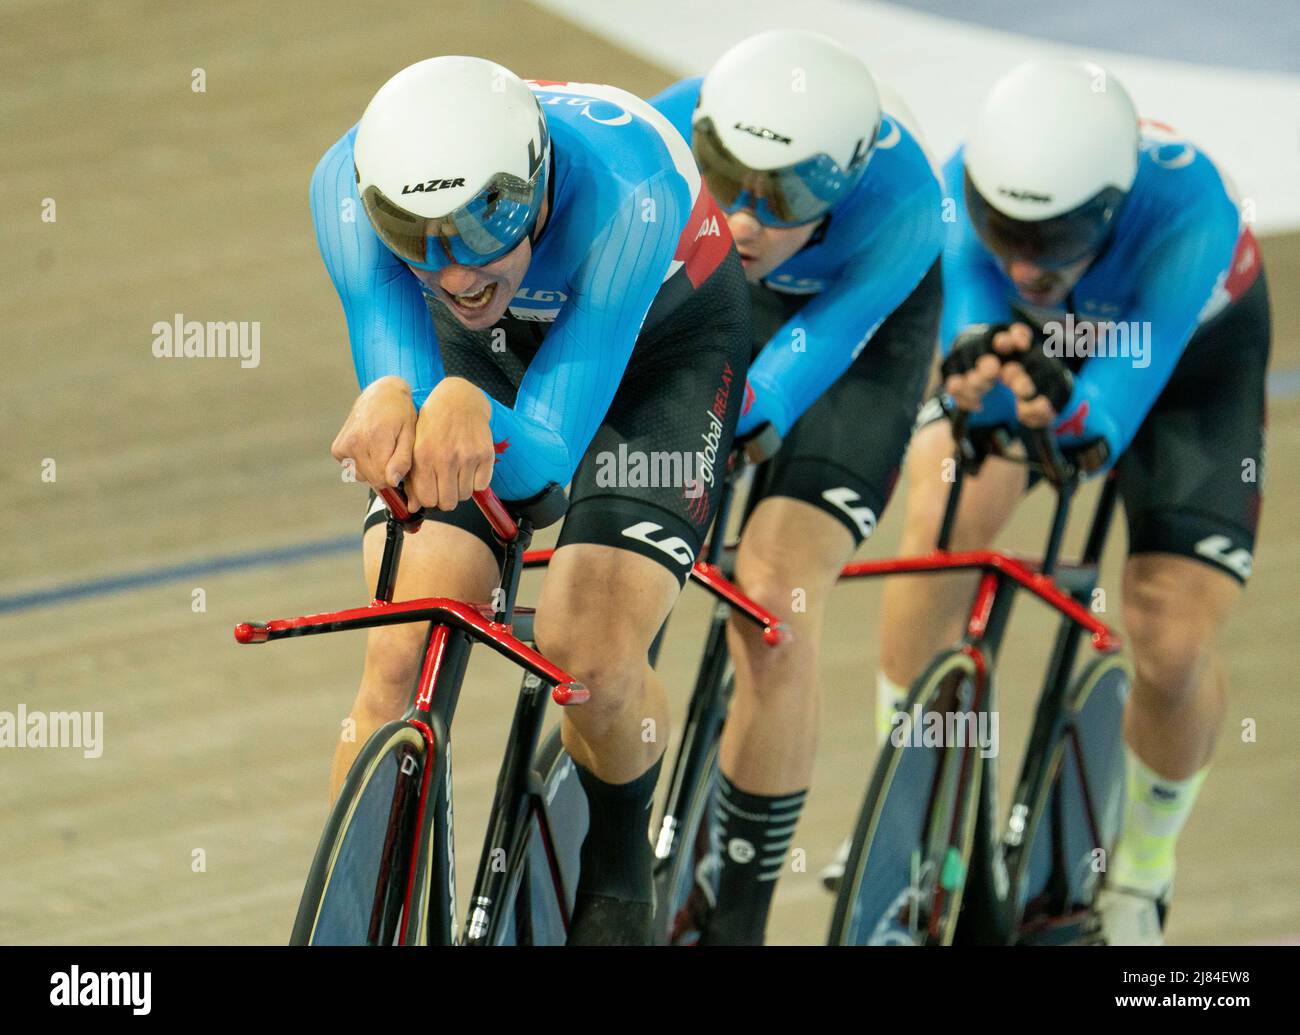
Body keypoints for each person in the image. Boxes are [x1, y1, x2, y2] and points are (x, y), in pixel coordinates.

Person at [309, 55, 751, 945]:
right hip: (480, 363)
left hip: (657, 358)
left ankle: (622, 875)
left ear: (537, 185)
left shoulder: (632, 196)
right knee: (399, 648)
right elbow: (403, 366)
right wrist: (394, 400)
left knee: (589, 648)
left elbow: (544, 463)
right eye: (416, 235)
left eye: (485, 226)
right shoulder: (345, 190)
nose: (454, 269)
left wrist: (458, 409)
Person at [872, 59, 1267, 944]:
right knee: (940, 515)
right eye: (1000, 228)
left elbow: (1106, 422)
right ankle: (905, 820)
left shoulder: (1191, 207)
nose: (1020, 258)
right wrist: (979, 381)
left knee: (1169, 640)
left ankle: (1142, 870)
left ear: (1110, 208)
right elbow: (973, 332)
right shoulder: (958, 190)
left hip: (1187, 370)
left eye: (1047, 238)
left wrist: (1065, 408)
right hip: (1044, 352)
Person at [651, 29, 946, 944]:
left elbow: (775, 388)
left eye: (780, 194)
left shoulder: (907, 205)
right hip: (708, 304)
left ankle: (737, 912)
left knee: (775, 603)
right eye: (725, 172)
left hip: (846, 347)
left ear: (843, 183)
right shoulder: (658, 130)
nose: (742, 215)